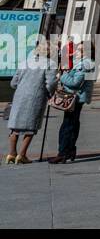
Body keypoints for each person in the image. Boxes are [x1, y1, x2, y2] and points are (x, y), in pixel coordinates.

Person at [6, 37, 58, 165]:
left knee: (15, 126)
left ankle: (11, 154)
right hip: (36, 97)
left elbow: (14, 83)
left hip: (19, 97)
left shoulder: (25, 62)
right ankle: (22, 155)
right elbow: (50, 83)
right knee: (31, 127)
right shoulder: (49, 64)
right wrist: (49, 93)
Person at [50, 40, 96, 164]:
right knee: (72, 123)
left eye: (79, 50)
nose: (75, 52)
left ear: (85, 52)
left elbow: (75, 83)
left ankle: (63, 153)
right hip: (78, 98)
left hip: (75, 98)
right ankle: (69, 150)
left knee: (67, 125)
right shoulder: (87, 63)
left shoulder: (85, 64)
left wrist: (62, 76)